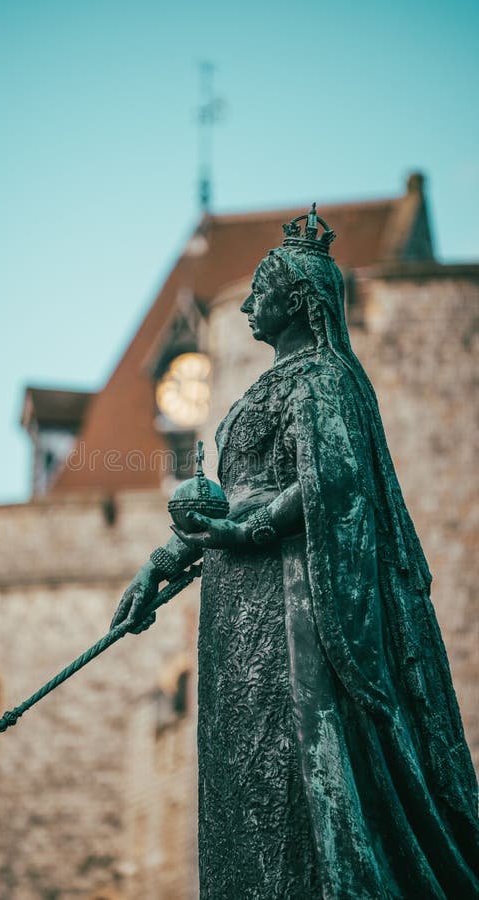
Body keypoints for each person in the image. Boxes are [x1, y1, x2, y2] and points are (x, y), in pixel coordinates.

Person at [111, 206, 479, 899]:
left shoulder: (325, 381)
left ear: (301, 301)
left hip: (293, 608)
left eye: (263, 290)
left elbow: (329, 487)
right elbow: (235, 495)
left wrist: (234, 535)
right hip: (238, 611)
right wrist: (162, 563)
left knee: (293, 765)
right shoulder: (265, 387)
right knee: (240, 765)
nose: (249, 303)